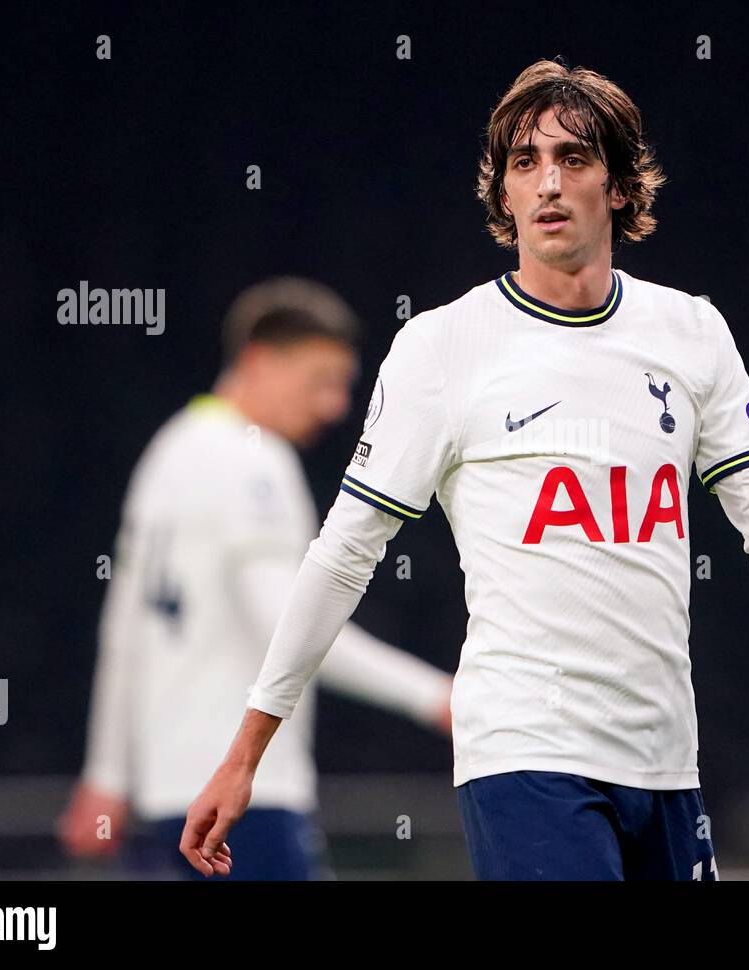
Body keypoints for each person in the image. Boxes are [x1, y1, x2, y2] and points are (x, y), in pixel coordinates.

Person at [183, 59, 749, 882]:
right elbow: (343, 552)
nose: (549, 182)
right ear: (504, 194)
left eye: (575, 159)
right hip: (524, 753)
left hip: (666, 760)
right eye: (525, 163)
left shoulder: (691, 332)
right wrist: (245, 753)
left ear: (621, 188)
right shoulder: (444, 348)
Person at [59, 277, 454, 880]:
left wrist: (106, 773)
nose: (334, 407)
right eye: (320, 382)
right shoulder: (254, 462)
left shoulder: (169, 450)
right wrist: (435, 697)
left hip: (166, 799)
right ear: (260, 361)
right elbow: (290, 626)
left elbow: (124, 631)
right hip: (245, 798)